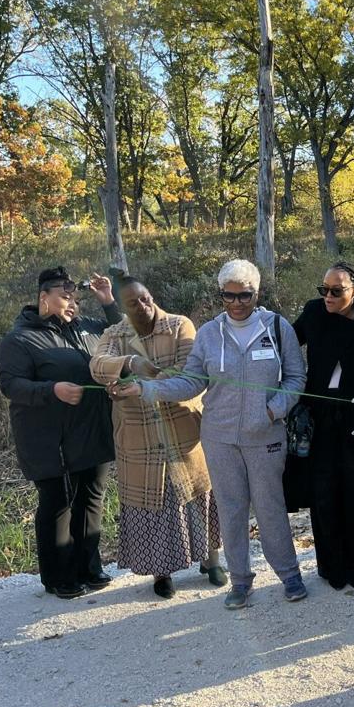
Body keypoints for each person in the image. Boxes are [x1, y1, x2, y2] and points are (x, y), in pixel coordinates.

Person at [116, 259, 307, 610]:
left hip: (266, 437)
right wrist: (145, 389)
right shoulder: (208, 334)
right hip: (218, 438)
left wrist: (272, 410)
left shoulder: (278, 328)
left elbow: (296, 378)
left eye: (244, 296)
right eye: (228, 296)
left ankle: (290, 575)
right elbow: (191, 382)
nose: (236, 303)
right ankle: (240, 582)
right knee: (232, 510)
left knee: (269, 508)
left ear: (256, 293)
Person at [90, 279, 226, 599]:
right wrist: (129, 364)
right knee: (151, 505)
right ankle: (160, 572)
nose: (144, 306)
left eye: (147, 298)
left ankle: (212, 561)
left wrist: (143, 383)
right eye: (134, 303)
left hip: (183, 431)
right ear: (123, 308)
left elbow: (187, 369)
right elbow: (97, 366)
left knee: (197, 495)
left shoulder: (179, 325)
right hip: (138, 437)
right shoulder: (115, 335)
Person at [0, 267, 121, 599]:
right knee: (58, 503)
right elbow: (11, 384)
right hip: (48, 439)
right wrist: (53, 390)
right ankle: (58, 577)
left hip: (93, 430)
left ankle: (88, 568)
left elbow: (123, 333)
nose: (73, 305)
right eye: (65, 297)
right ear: (43, 297)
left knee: (91, 499)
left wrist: (108, 301)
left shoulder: (86, 330)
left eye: (76, 299)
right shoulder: (20, 339)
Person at [290, 262, 354, 590]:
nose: (327, 296)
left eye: (336, 291)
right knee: (325, 491)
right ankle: (332, 568)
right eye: (324, 290)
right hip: (320, 417)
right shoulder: (314, 313)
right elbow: (288, 344)